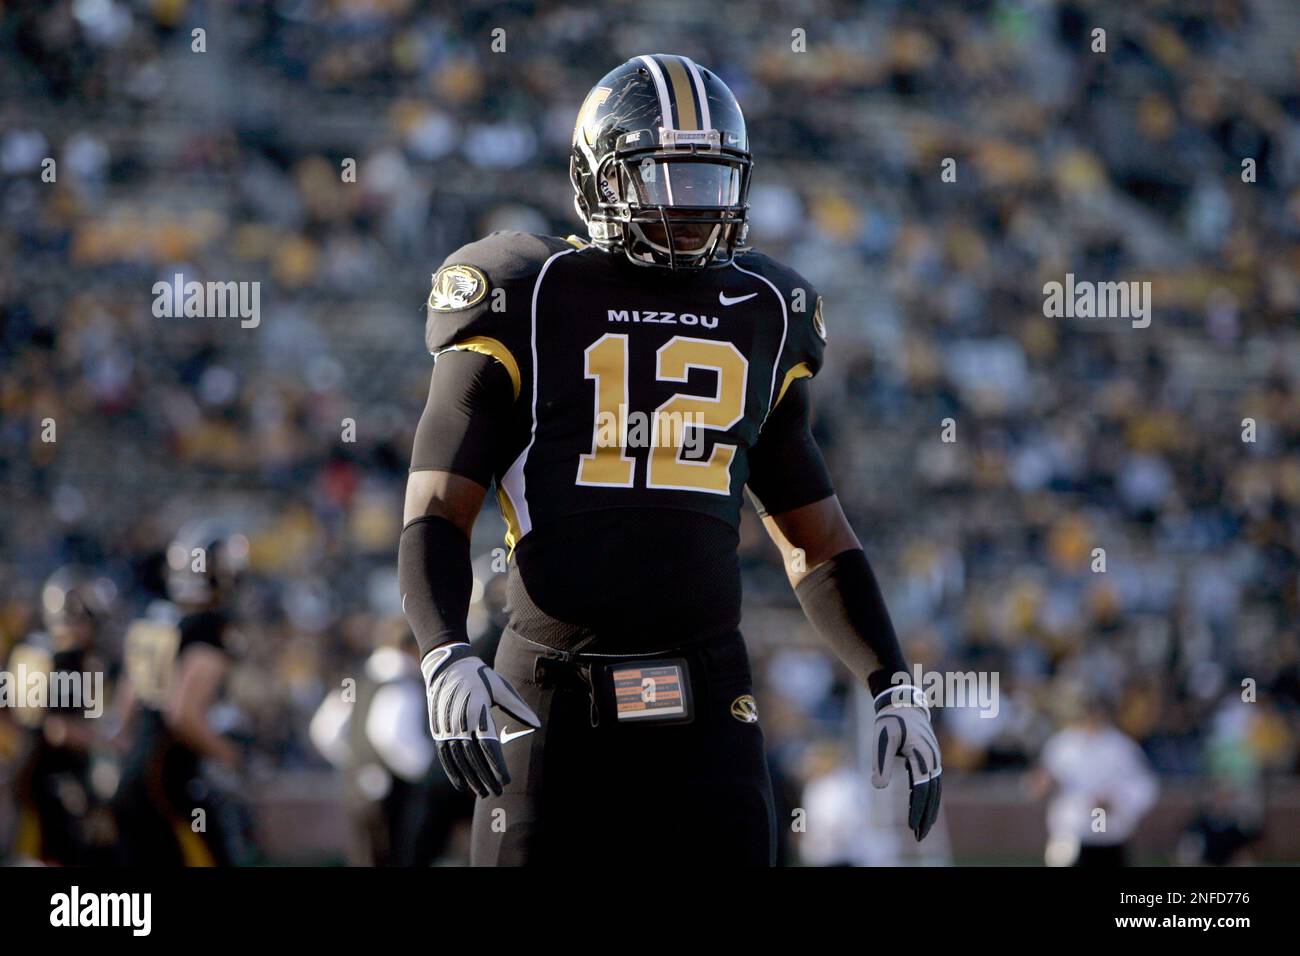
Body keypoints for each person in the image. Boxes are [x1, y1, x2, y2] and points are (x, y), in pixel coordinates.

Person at [399, 55, 942, 866]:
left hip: (708, 694)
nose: (693, 208)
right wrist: (444, 652)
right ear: (596, 179)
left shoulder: (765, 308)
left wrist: (892, 680)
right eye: (667, 180)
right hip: (548, 689)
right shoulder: (525, 291)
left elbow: (817, 539)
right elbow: (438, 510)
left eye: (709, 181)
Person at [112, 522, 251, 866]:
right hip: (169, 786)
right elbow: (182, 714)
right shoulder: (208, 628)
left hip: (133, 781)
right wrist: (230, 754)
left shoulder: (156, 621)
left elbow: (124, 711)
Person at [7, 567, 118, 865]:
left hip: (25, 767)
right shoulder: (66, 659)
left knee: (31, 852)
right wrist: (109, 741)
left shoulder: (30, 647)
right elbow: (59, 728)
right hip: (57, 775)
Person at [1030, 692, 1158, 866]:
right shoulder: (1063, 745)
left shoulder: (1122, 748)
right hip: (1071, 833)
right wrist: (1044, 785)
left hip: (1110, 837)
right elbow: (1040, 782)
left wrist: (1117, 802)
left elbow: (1144, 787)